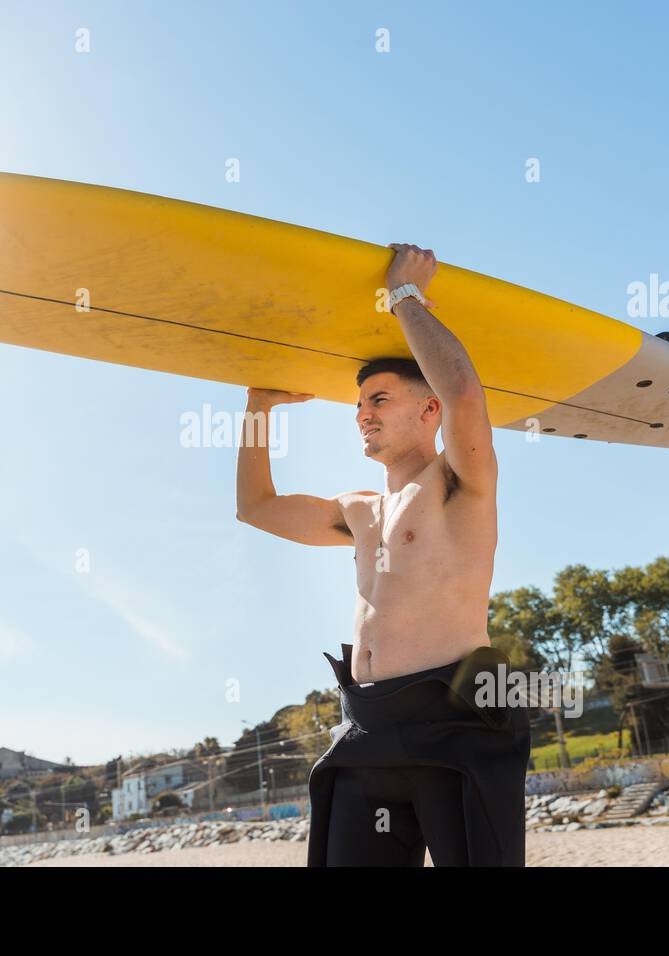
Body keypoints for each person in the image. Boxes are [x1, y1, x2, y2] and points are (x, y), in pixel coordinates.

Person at [235, 243, 531, 866]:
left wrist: (404, 296)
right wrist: (258, 407)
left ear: (428, 410)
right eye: (359, 403)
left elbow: (467, 399)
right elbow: (256, 507)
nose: (362, 414)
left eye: (380, 399)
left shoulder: (460, 483)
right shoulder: (360, 512)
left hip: (454, 724)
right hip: (366, 730)